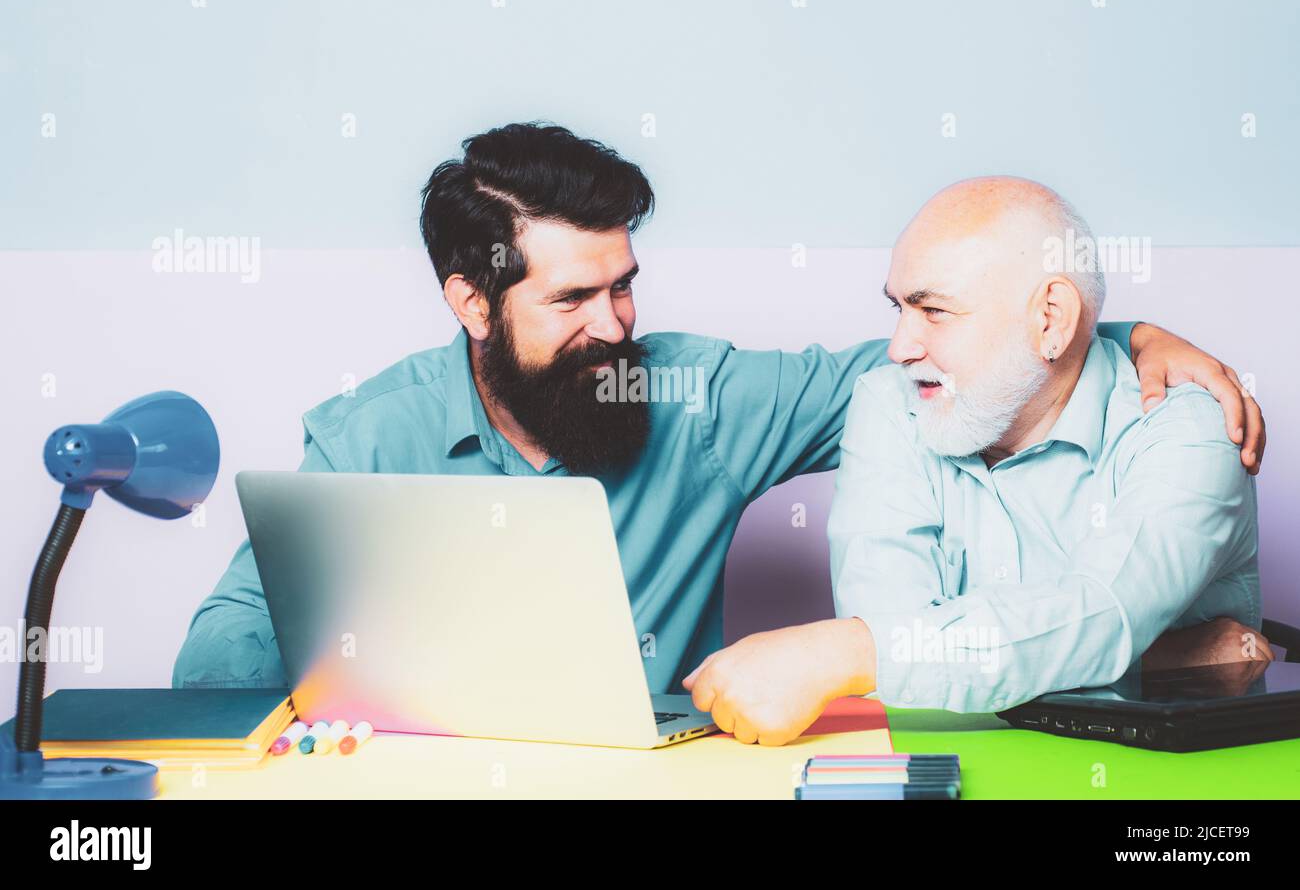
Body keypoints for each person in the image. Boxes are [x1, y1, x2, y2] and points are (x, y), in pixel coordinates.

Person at [174, 127, 1265, 699]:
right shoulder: (369, 436)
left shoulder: (690, 396)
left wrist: (1122, 336)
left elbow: (958, 362)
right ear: (472, 303)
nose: (615, 325)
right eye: (571, 300)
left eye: (624, 285)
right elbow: (223, 645)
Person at [683, 176, 1267, 745]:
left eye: (934, 311)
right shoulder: (890, 402)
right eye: (898, 307)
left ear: (1050, 319)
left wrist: (845, 653)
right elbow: (900, 660)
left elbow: (1102, 612)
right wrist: (1151, 656)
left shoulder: (1192, 427)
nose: (899, 347)